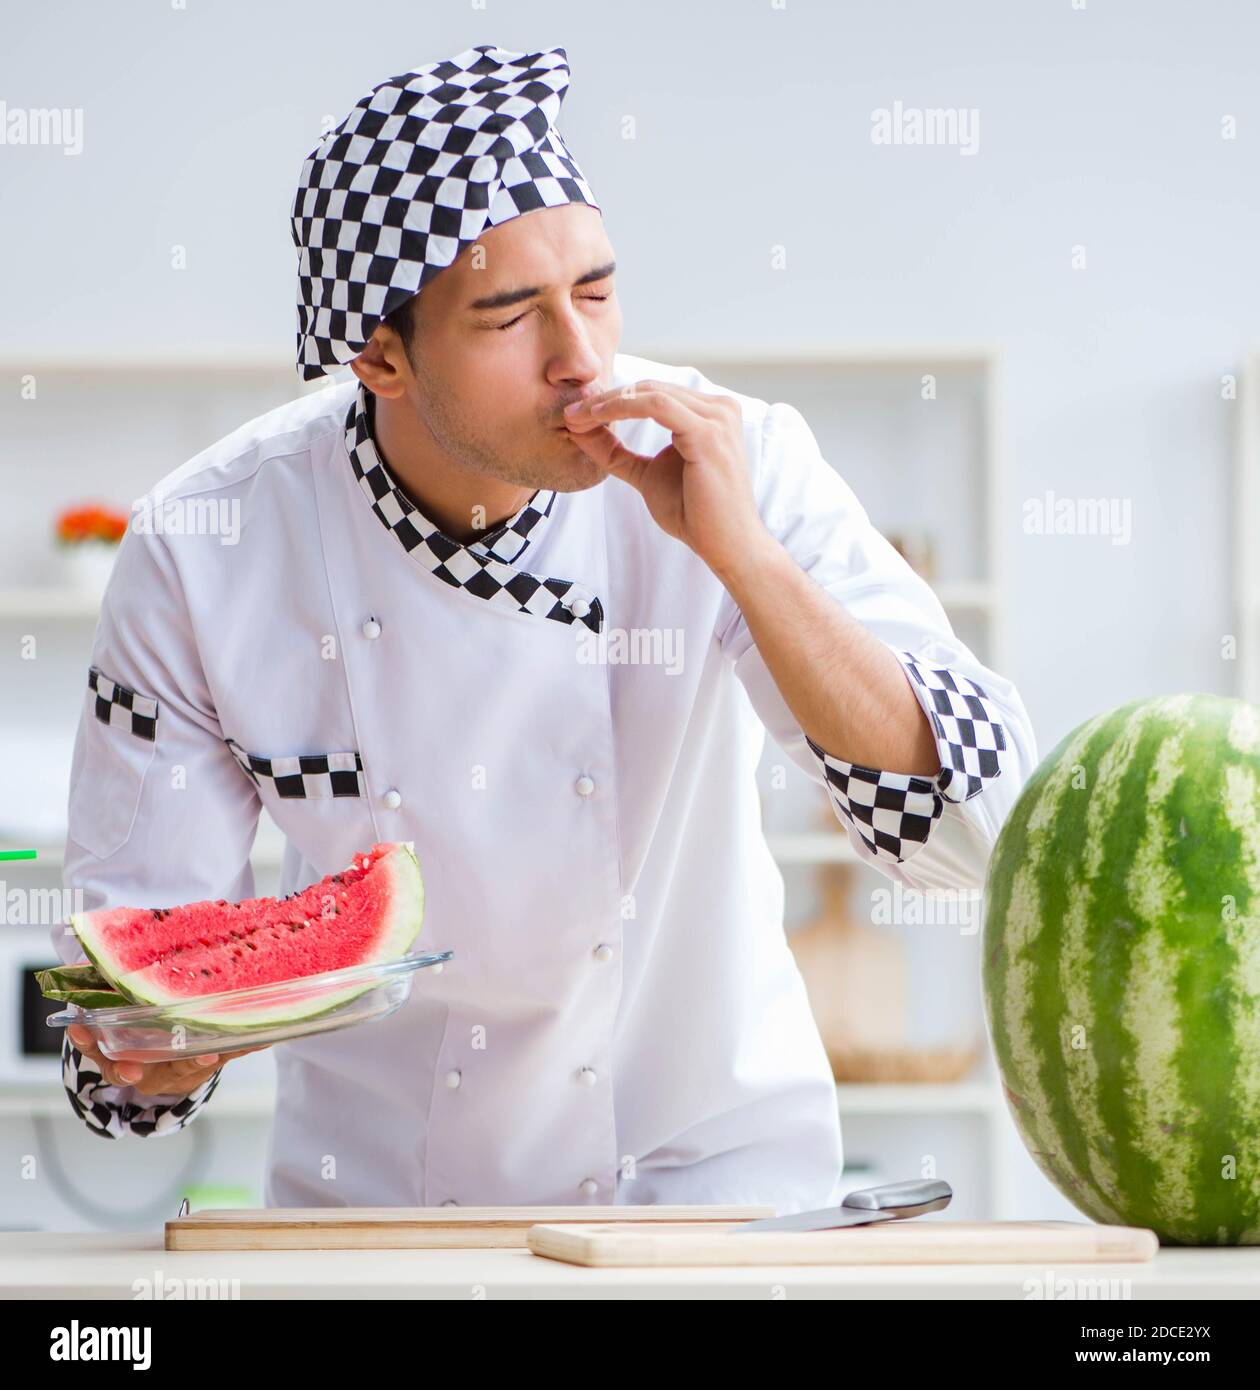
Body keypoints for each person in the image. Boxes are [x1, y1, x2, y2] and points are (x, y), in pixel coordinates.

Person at [58, 43, 1037, 1210]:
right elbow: (123, 1030)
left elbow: (979, 830)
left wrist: (743, 558)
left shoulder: (741, 459)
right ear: (381, 356)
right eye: (512, 314)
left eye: (599, 290)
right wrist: (148, 1057)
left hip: (716, 1200)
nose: (583, 358)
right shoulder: (201, 547)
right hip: (381, 1222)